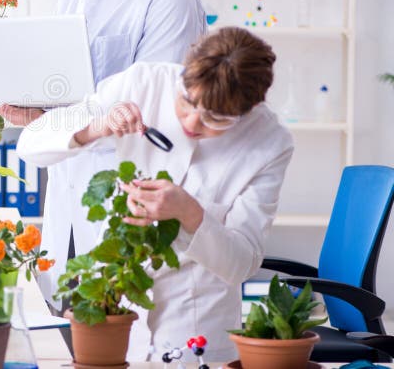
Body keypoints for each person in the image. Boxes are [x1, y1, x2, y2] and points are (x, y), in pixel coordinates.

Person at [0, 0, 207, 311]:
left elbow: (151, 111)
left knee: (118, 331)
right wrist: (39, 117)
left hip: (125, 196)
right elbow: (74, 100)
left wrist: (66, 120)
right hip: (68, 191)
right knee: (63, 325)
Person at [16, 27, 295, 362]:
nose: (193, 122)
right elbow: (30, 144)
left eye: (215, 119)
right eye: (187, 102)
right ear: (185, 72)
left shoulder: (269, 142)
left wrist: (190, 214)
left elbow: (242, 263)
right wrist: (97, 127)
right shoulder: (144, 83)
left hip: (196, 325)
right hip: (116, 309)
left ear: (248, 109)